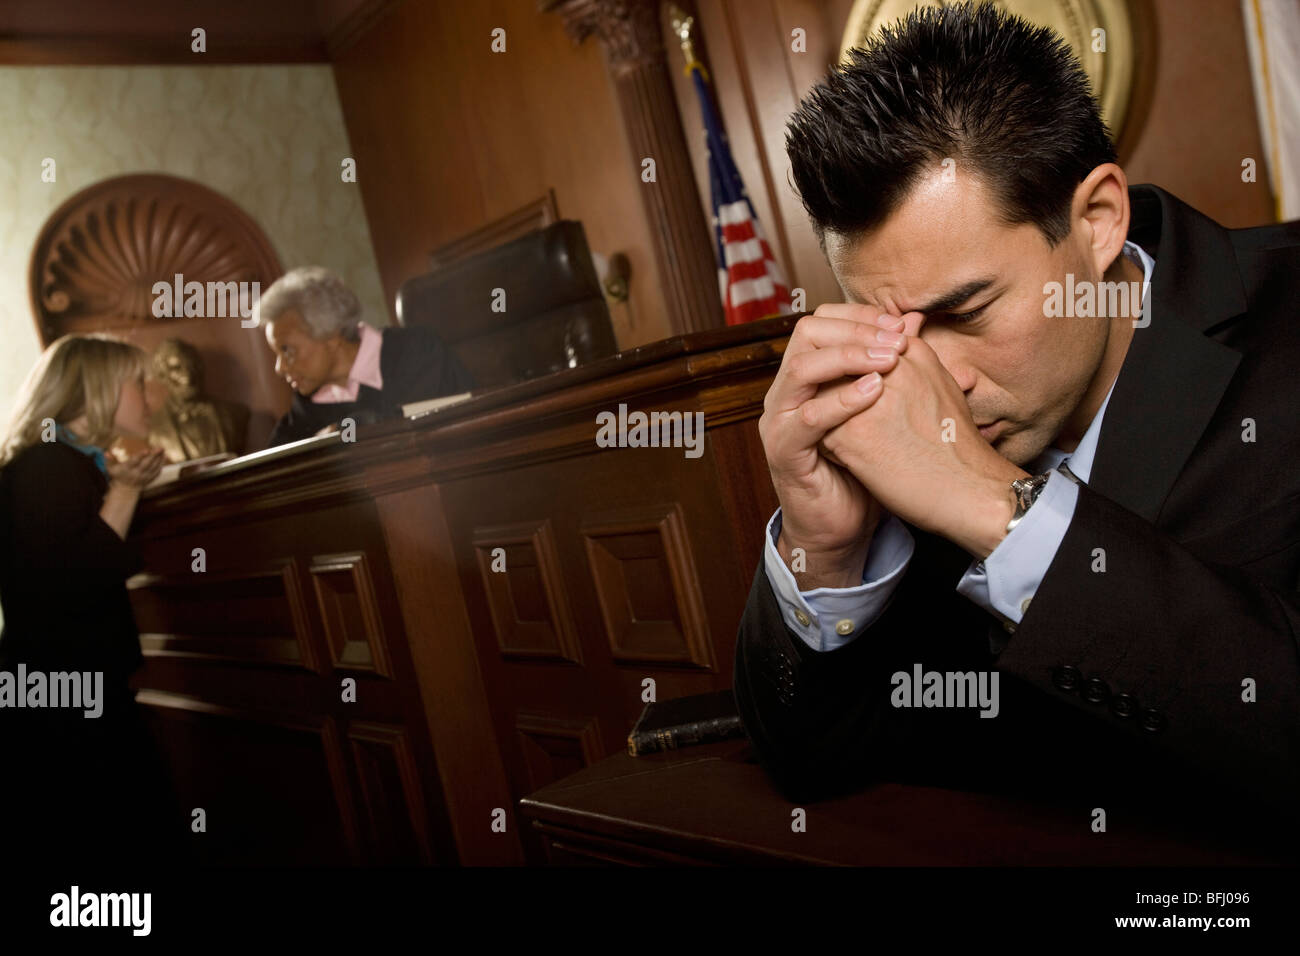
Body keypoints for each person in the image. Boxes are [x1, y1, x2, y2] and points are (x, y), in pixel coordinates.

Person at [734, 2, 1300, 853]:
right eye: (891, 326)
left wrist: (1000, 510)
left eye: (966, 311)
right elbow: (815, 760)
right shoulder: (886, 405)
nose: (939, 384)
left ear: (1099, 221)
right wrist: (826, 553)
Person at [0, 334, 185, 866]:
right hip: (65, 710)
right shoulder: (49, 466)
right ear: (98, 390)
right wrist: (126, 493)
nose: (152, 397)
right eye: (138, 382)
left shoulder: (56, 462)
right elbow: (72, 589)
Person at [258, 266, 474, 446]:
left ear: (332, 336)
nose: (280, 368)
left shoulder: (416, 349)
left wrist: (344, 429)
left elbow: (423, 426)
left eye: (287, 351)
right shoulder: (308, 400)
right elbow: (269, 468)